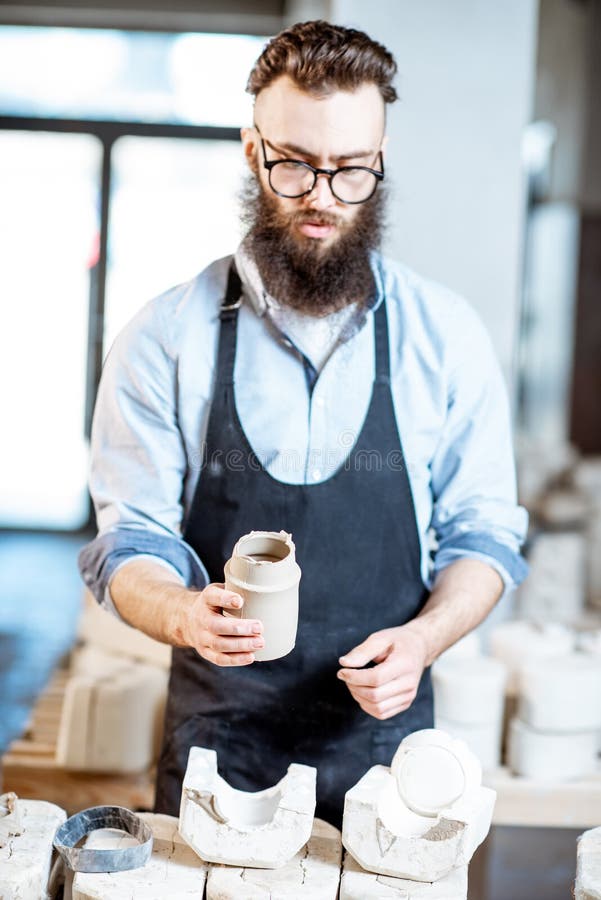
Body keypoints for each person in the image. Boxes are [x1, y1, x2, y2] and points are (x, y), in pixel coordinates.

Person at [79, 20, 528, 827]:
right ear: (252, 152)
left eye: (351, 170)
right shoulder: (166, 336)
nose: (322, 195)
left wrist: (424, 640)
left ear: (380, 165)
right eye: (294, 165)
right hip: (221, 749)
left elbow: (483, 536)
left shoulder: (445, 337)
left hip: (386, 757)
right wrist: (180, 612)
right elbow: (130, 539)